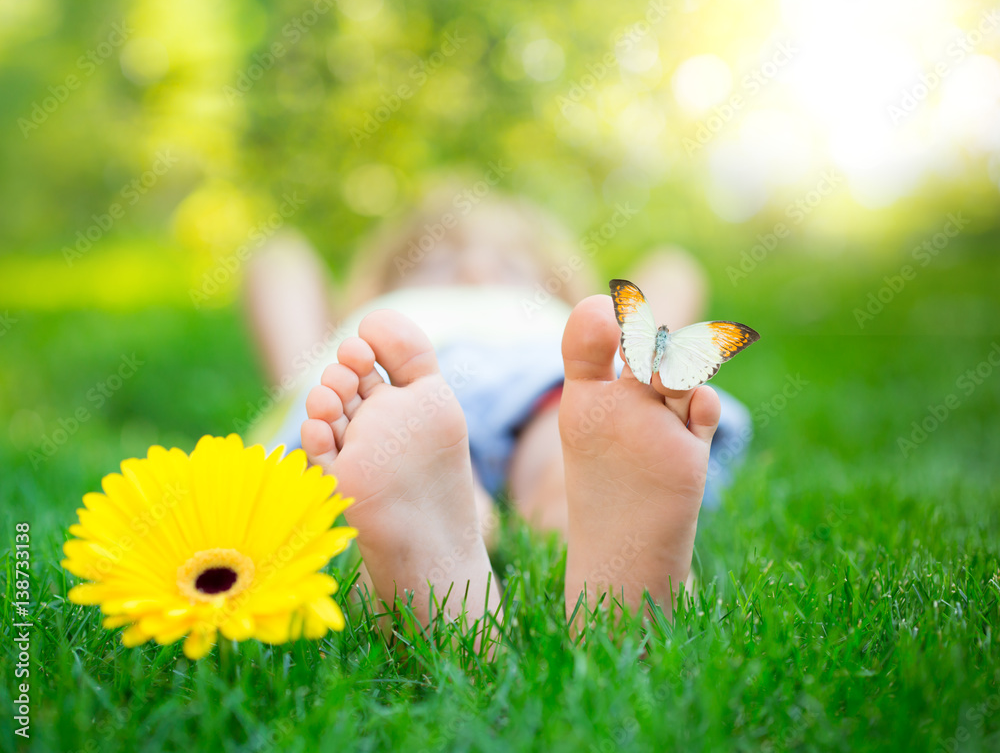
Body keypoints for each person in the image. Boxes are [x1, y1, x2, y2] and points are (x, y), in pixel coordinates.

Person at [244, 189, 750, 632]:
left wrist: (630, 347)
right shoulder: (359, 347)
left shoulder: (566, 328)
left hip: (550, 385)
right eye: (435, 262)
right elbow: (278, 261)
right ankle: (443, 524)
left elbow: (673, 268)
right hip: (395, 397)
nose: (475, 270)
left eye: (513, 266)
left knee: (569, 450)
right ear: (378, 290)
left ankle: (563, 517)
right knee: (380, 445)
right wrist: (311, 369)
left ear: (561, 289)